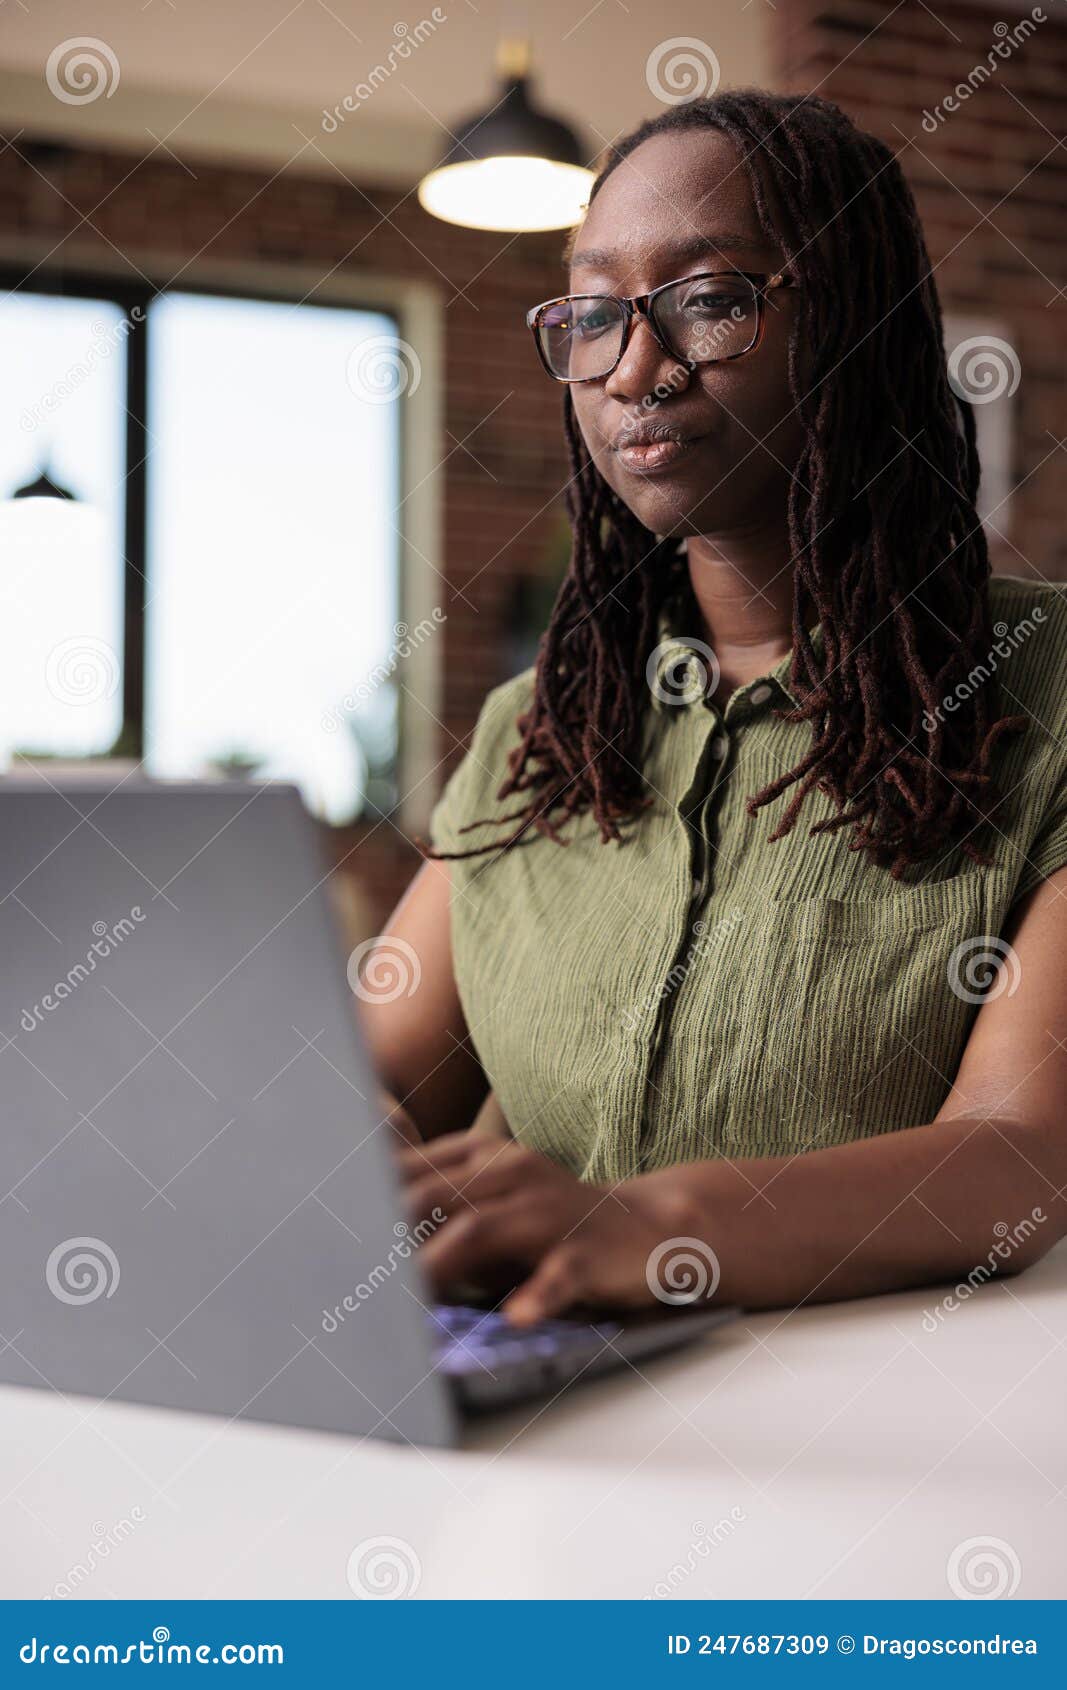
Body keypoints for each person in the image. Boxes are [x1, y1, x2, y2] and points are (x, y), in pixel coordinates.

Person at [362, 90, 1067, 1322]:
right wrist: (339, 1157)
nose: (633, 368)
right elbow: (370, 1081)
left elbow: (1016, 1161)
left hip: (873, 1458)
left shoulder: (1043, 685)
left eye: (708, 299)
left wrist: (649, 1224)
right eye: (592, 312)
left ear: (855, 329)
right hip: (526, 1418)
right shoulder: (543, 726)